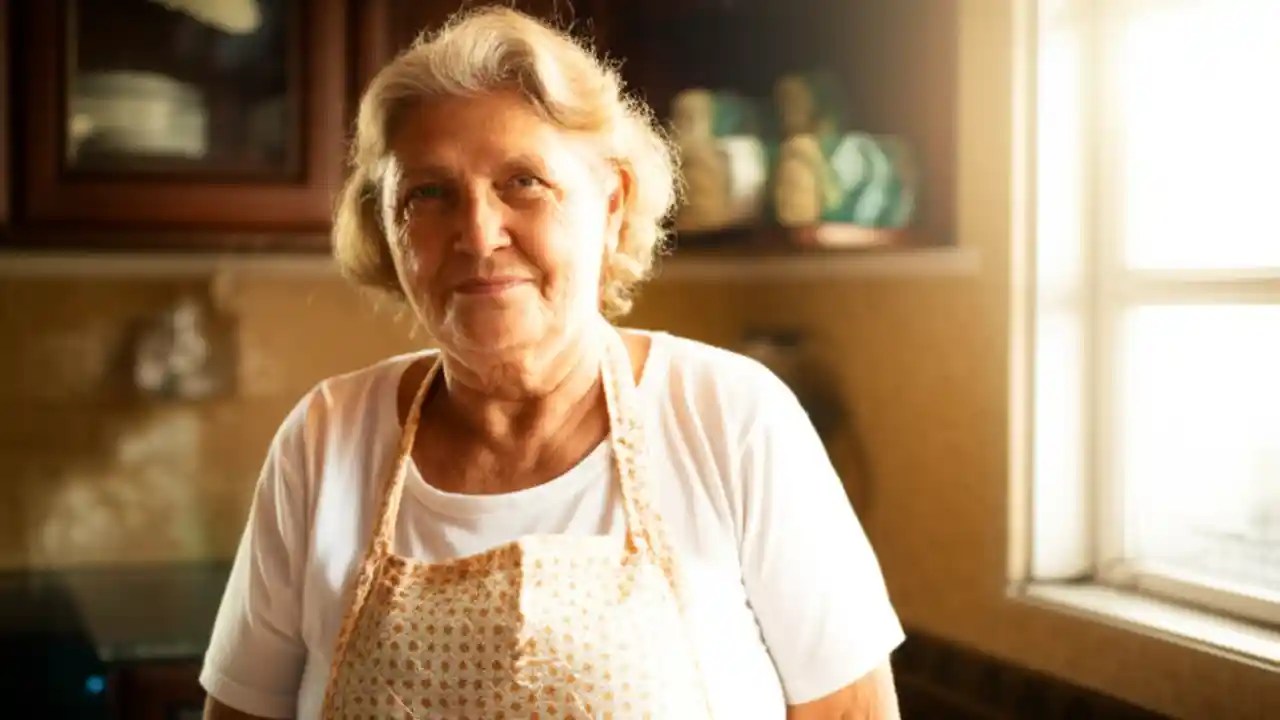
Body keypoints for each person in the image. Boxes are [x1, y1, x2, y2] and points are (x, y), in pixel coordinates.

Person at [200, 7, 904, 719]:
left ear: (611, 201)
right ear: (385, 229)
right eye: (429, 194)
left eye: (523, 181)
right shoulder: (325, 440)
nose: (478, 234)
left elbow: (853, 713)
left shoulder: (732, 417)